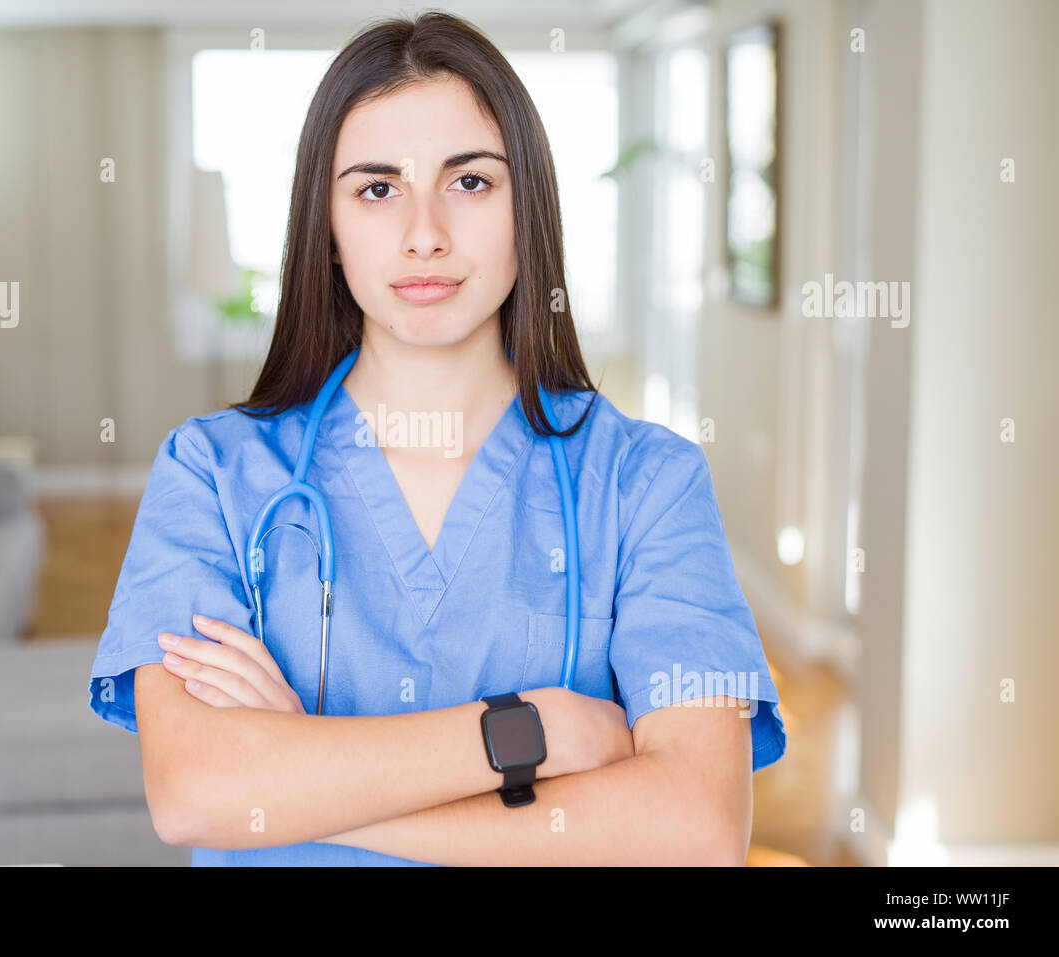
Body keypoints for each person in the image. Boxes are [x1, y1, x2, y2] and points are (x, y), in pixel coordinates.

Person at [88, 11, 785, 866]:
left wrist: (300, 776)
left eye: (471, 182)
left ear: (528, 208)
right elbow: (196, 790)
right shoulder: (211, 473)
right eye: (377, 188)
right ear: (329, 230)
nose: (426, 233)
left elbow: (697, 826)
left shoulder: (648, 484)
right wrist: (534, 733)